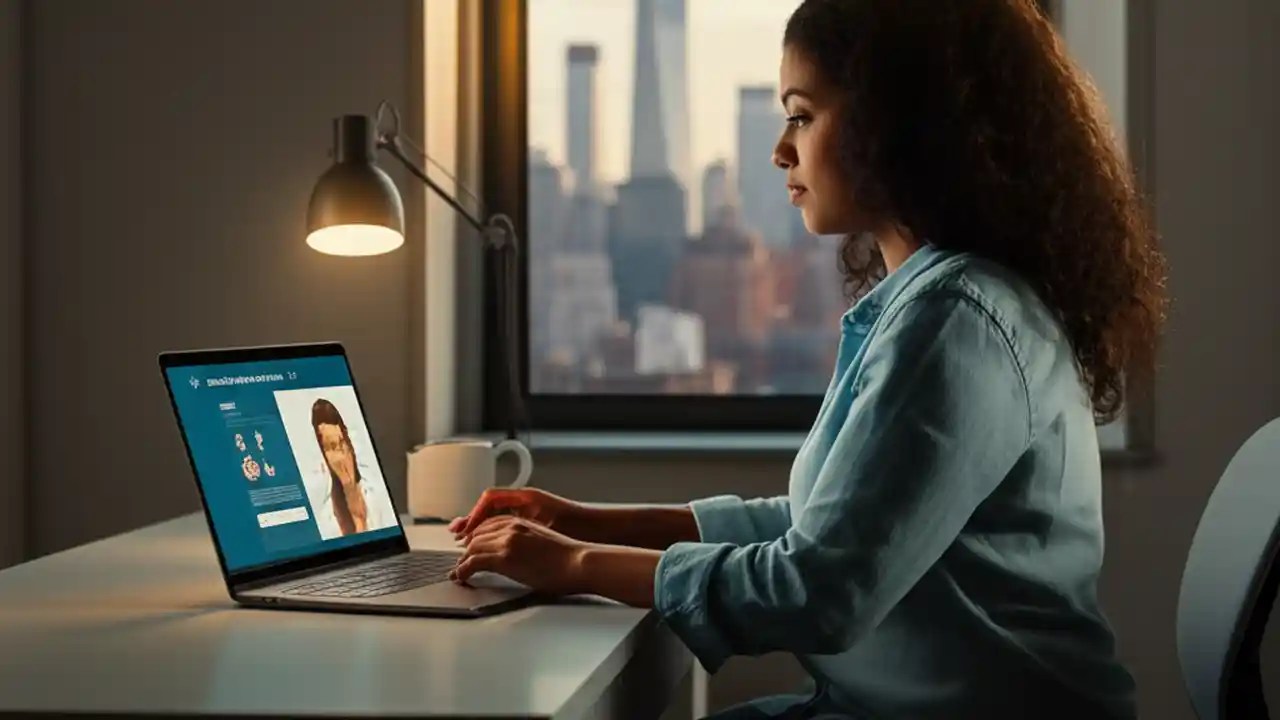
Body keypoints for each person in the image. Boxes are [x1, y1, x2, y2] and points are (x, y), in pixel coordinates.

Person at [449, 0, 1166, 717]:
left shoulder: (958, 322)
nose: (779, 150)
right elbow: (825, 530)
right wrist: (587, 522)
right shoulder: (940, 301)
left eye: (802, 114)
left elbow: (819, 589)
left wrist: (573, 564)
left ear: (897, 124)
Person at [310, 398, 387, 537]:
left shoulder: (376, 496)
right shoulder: (327, 519)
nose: (342, 456)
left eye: (342, 443)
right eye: (332, 447)